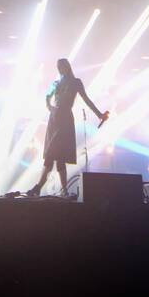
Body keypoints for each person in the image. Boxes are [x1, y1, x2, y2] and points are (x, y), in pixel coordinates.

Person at [28, 58, 107, 197]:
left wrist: (99, 114)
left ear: (67, 67)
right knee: (56, 156)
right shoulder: (56, 83)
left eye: (61, 66)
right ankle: (61, 191)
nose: (59, 69)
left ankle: (39, 187)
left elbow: (86, 99)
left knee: (55, 154)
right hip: (54, 120)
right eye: (58, 67)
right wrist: (50, 107)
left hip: (64, 120)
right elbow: (47, 96)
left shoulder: (76, 82)